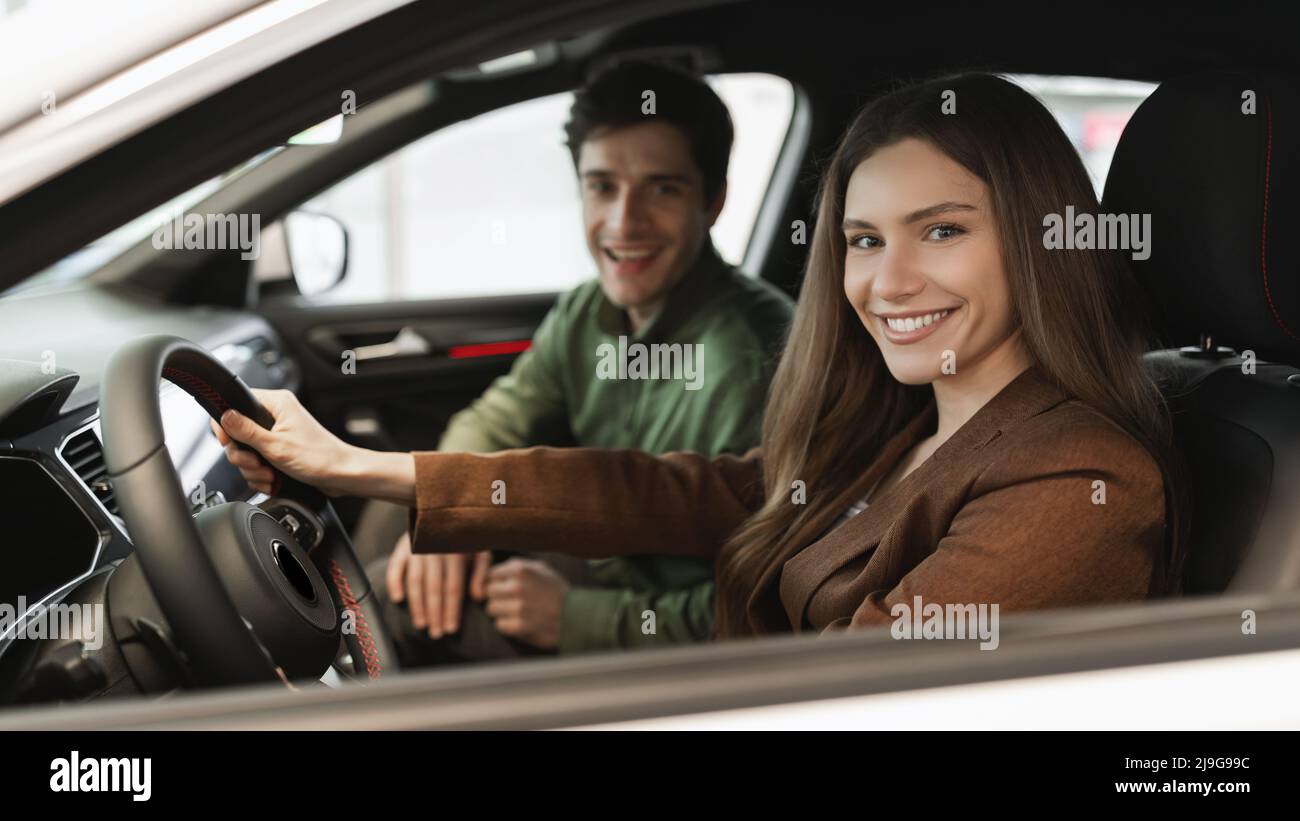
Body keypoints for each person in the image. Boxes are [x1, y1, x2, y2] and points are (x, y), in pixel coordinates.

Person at [213, 73, 1186, 644]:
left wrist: (590, 624)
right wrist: (365, 468)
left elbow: (859, 694)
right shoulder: (903, 423)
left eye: (938, 231)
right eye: (862, 239)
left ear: (1032, 236)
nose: (887, 283)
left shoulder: (1076, 476)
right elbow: (676, 491)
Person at [318, 60, 792, 663]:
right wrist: (447, 520)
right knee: (402, 527)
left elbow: (768, 604)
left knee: (389, 600)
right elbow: (495, 422)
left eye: (662, 189)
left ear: (714, 202)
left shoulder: (759, 359)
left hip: (664, 637)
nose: (624, 222)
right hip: (606, 563)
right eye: (602, 187)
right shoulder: (587, 312)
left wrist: (579, 619)